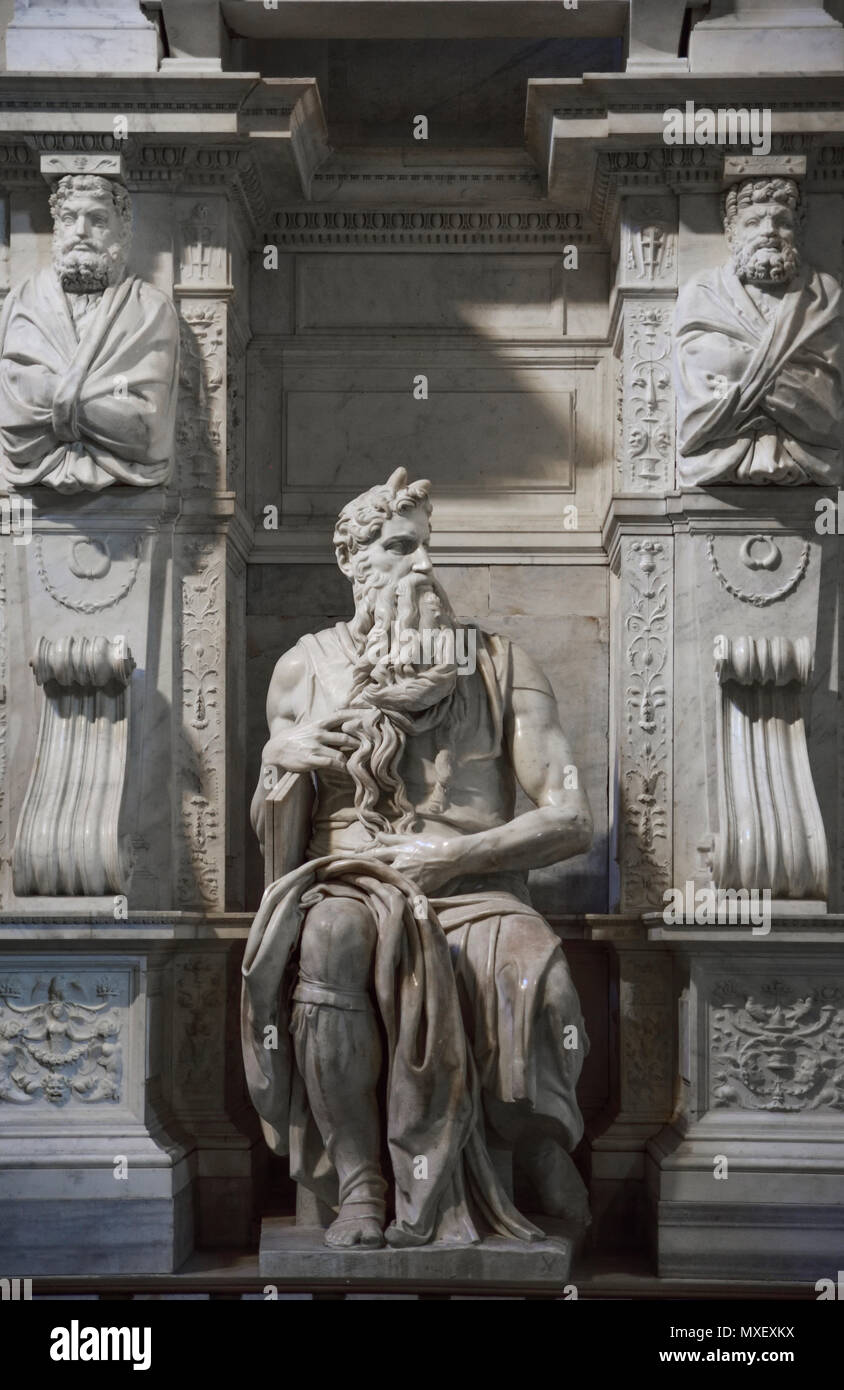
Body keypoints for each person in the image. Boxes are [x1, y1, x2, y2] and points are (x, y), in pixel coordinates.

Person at [243, 468, 593, 1249]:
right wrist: (283, 758)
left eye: (429, 547)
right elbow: (276, 838)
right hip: (347, 878)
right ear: (352, 560)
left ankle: (528, 1139)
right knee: (332, 937)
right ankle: (363, 1181)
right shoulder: (305, 668)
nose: (425, 567)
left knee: (539, 966)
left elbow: (573, 816)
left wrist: (460, 854)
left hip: (475, 884)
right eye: (401, 547)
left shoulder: (502, 664)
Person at [0, 173, 178, 492]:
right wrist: (101, 406)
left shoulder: (150, 309)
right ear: (57, 228)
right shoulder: (24, 302)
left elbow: (146, 431)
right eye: (69, 219)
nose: (80, 232)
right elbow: (13, 419)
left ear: (121, 232)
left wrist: (48, 395)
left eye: (97, 220)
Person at [674, 176, 843, 485]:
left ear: (798, 232)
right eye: (753, 223)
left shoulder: (822, 294)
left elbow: (825, 407)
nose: (769, 232)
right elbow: (701, 398)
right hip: (713, 460)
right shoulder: (702, 293)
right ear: (730, 234)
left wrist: (742, 372)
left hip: (816, 459)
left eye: (782, 223)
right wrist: (787, 384)